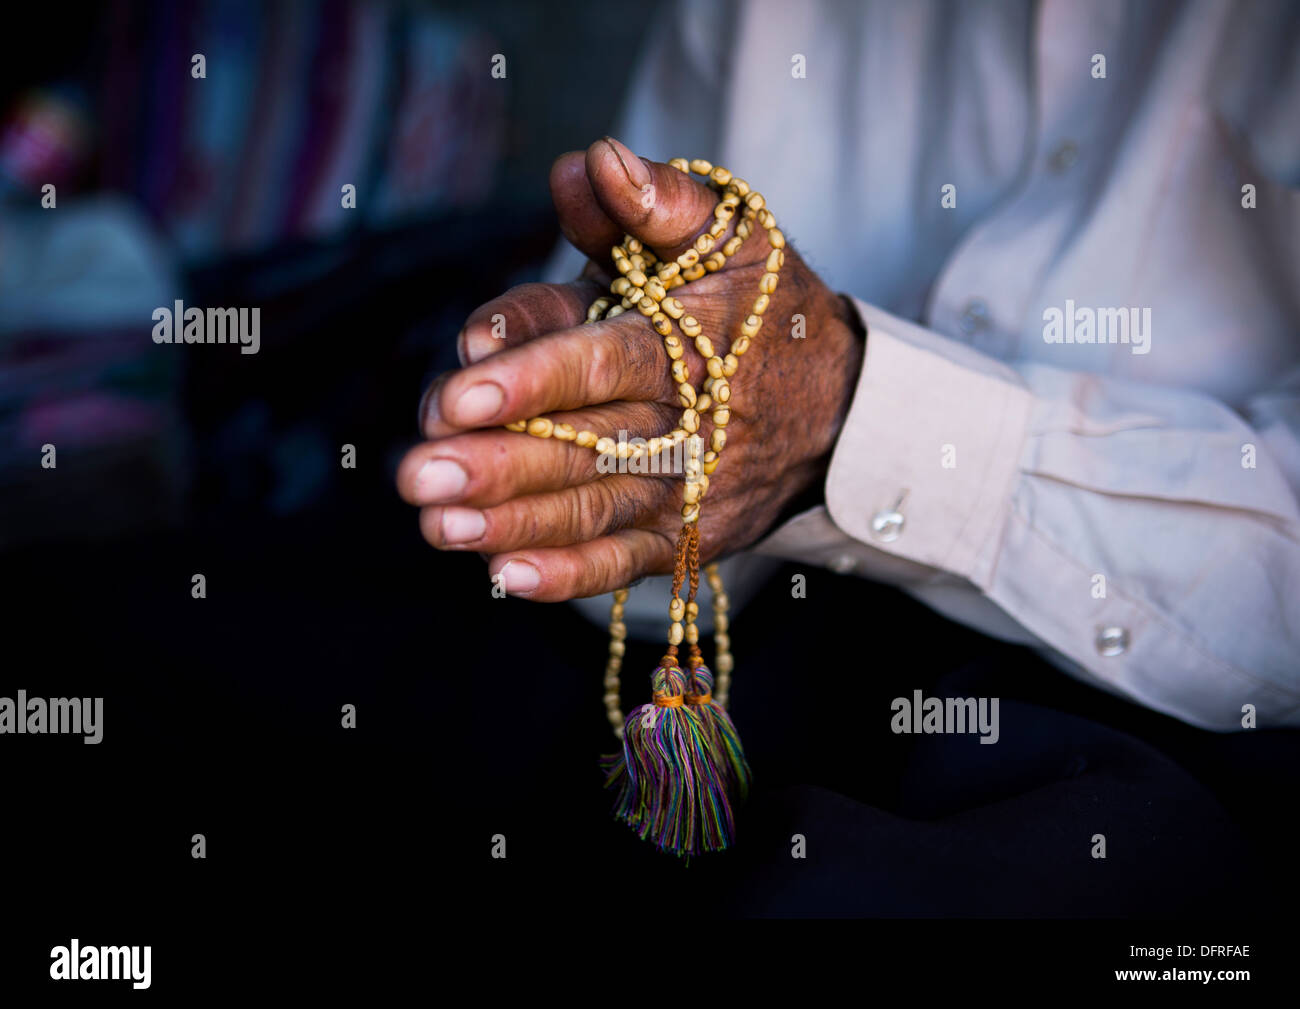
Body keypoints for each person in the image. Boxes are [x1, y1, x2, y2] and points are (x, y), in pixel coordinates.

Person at [396, 0, 1300, 732]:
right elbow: (647, 299)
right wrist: (593, 382)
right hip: (737, 612)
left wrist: (841, 415)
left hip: (1161, 711)